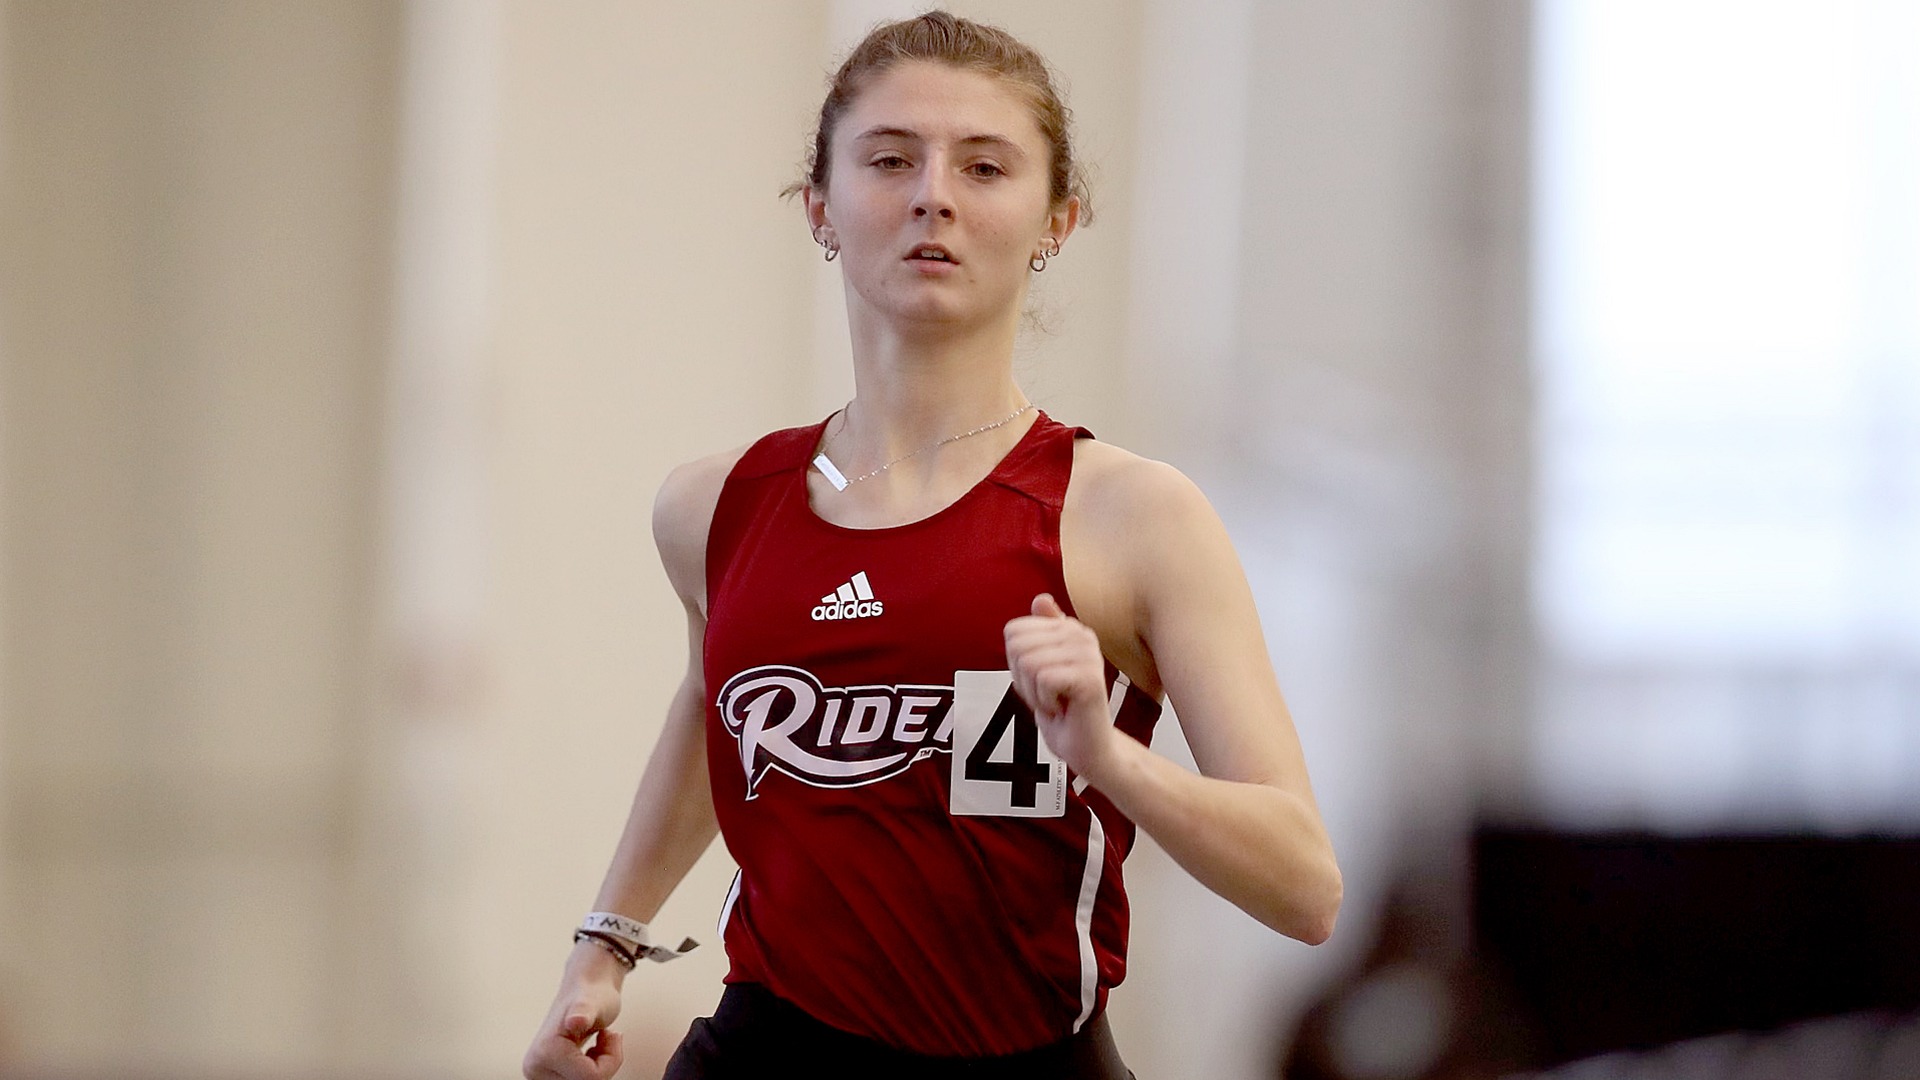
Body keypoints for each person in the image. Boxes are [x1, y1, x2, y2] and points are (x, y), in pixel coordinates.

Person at [521, 11, 1341, 1080]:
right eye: (890, 159)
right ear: (821, 206)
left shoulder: (1132, 516)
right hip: (765, 1050)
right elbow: (711, 711)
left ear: (1058, 219)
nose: (933, 195)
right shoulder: (712, 508)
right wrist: (604, 945)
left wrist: (1106, 756)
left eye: (986, 165)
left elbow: (1306, 887)